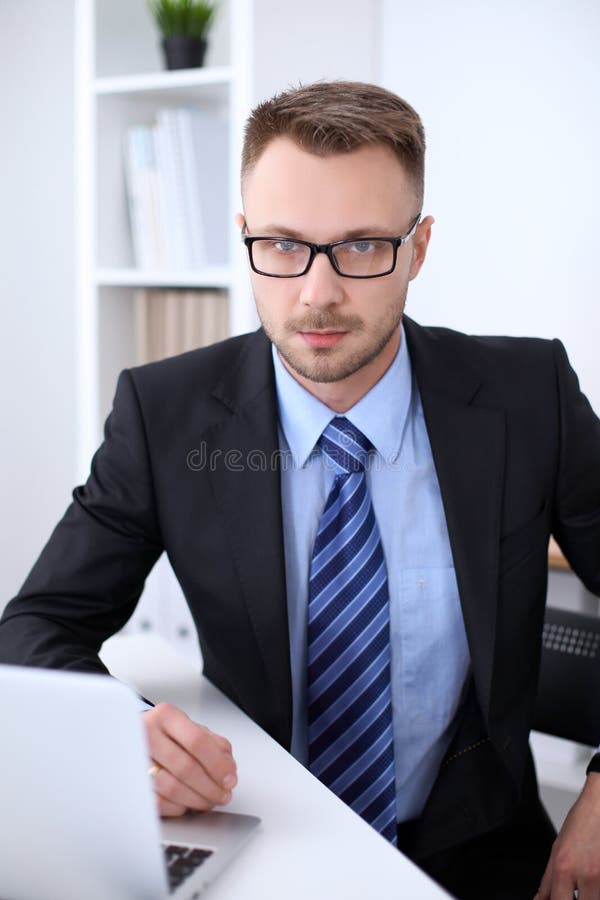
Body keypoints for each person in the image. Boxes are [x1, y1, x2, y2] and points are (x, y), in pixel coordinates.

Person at [1, 80, 600, 900]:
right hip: (260, 847)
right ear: (246, 237)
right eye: (283, 245)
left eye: (360, 247)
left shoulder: (529, 394)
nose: (316, 293)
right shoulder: (165, 414)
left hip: (483, 862)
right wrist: (127, 734)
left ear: (418, 248)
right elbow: (36, 625)